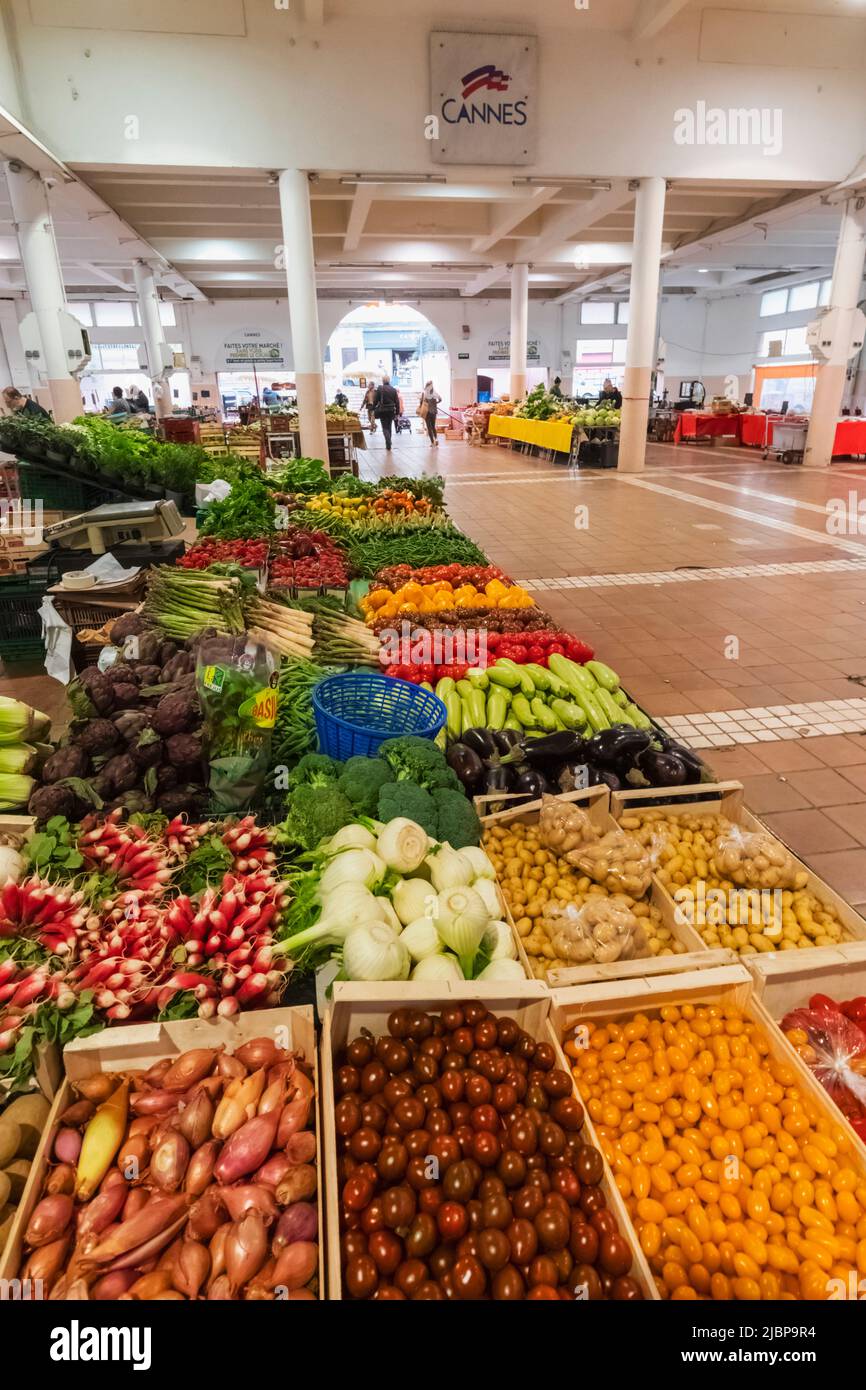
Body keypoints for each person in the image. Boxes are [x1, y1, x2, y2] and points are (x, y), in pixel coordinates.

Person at [373, 374, 400, 450]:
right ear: (389, 381)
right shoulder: (393, 390)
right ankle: (389, 443)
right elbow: (397, 402)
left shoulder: (380, 389)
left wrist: (373, 408)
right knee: (389, 426)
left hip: (383, 410)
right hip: (391, 411)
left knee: (385, 427)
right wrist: (397, 412)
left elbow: (376, 400)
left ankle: (388, 441)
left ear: (382, 381)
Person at [421, 380, 441, 444]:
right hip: (434, 411)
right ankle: (436, 439)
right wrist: (436, 403)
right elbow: (440, 399)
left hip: (427, 412)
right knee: (433, 426)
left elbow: (422, 402)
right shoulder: (435, 393)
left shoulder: (424, 393)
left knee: (429, 427)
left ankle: (432, 442)